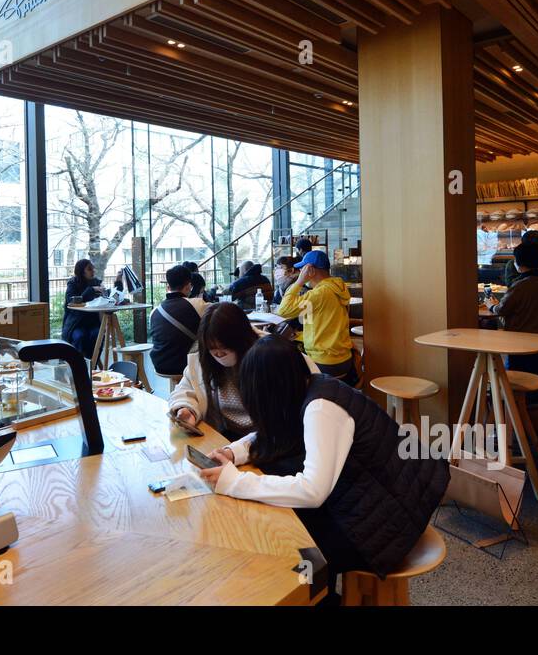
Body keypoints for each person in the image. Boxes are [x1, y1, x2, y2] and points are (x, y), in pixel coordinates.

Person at [195, 335, 449, 586]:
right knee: (280, 523)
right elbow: (275, 434)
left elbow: (312, 491)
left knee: (288, 558)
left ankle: (308, 594)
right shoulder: (309, 386)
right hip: (375, 497)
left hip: (386, 521)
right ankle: (316, 593)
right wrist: (233, 452)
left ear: (270, 391)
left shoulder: (321, 410)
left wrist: (235, 482)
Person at [169, 303, 318, 442]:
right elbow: (187, 387)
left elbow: (306, 397)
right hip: (225, 435)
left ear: (241, 340)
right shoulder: (203, 358)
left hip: (271, 439)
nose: (218, 354)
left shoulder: (270, 354)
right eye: (212, 349)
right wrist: (186, 408)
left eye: (224, 348)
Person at [486, 241, 538, 405]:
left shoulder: (519, 285)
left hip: (520, 342)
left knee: (518, 377)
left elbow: (501, 310)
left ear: (518, 263)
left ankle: (517, 410)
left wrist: (490, 304)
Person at [276, 250, 356, 385]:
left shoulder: (320, 293)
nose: (300, 271)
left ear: (310, 270)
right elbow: (323, 327)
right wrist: (298, 336)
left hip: (324, 362)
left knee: (281, 372)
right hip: (342, 358)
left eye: (303, 268)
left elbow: (283, 310)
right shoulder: (337, 287)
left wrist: (299, 282)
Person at [150, 265, 204, 377]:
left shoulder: (155, 311)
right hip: (185, 365)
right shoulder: (197, 304)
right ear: (189, 286)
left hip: (160, 364)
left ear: (168, 286)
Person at [61, 258, 107, 355]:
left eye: (93, 268)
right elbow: (71, 301)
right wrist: (91, 290)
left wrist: (116, 285)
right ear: (82, 271)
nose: (93, 271)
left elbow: (107, 298)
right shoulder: (73, 283)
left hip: (93, 323)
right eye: (89, 269)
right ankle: (79, 366)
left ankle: (92, 365)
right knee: (79, 337)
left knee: (97, 336)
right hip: (76, 323)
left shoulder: (97, 282)